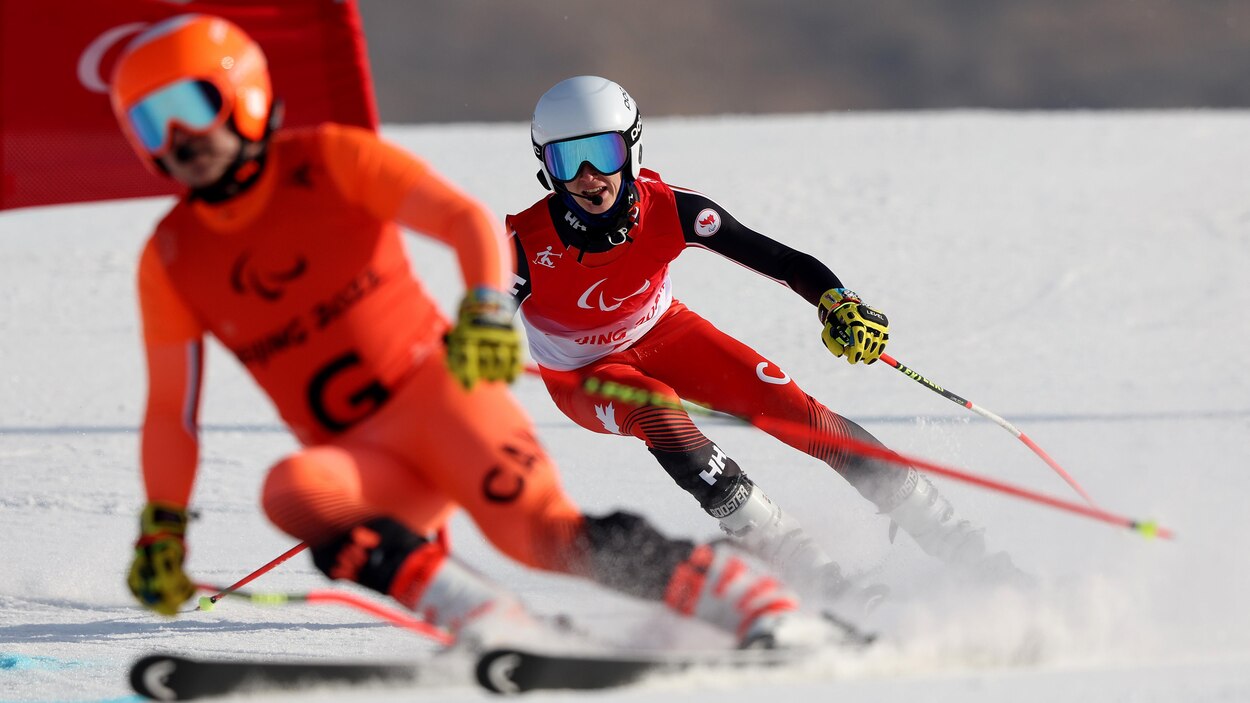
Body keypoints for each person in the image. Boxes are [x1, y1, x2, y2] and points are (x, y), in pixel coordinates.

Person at [113, 15, 837, 649]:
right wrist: (162, 525)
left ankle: (744, 594)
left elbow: (465, 222)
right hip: (363, 460)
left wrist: (488, 310)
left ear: (241, 94)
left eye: (191, 106)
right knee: (293, 489)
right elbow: (169, 411)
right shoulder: (171, 256)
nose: (180, 138)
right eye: (151, 123)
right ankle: (487, 618)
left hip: (450, 407)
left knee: (542, 538)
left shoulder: (330, 160)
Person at [507, 75, 1029, 602]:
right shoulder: (523, 243)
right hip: (582, 372)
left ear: (633, 148)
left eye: (601, 151)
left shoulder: (671, 208)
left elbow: (781, 261)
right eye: (566, 161)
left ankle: (965, 551)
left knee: (791, 408)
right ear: (546, 169)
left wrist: (838, 302)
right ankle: (817, 578)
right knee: (655, 409)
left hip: (665, 332)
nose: (588, 177)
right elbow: (474, 321)